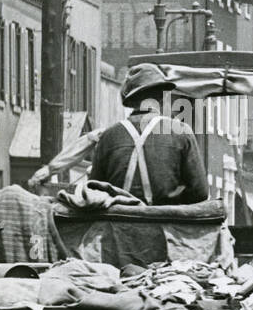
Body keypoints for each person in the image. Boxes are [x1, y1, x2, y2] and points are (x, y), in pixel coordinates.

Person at [88, 63, 209, 204]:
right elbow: (200, 193)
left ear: (130, 100)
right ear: (162, 97)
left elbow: (94, 190)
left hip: (119, 223)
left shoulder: (108, 137)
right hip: (168, 222)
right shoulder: (181, 131)